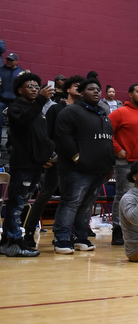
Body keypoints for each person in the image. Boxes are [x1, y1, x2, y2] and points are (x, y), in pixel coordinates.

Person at [52, 77, 115, 254]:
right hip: (75, 169)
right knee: (71, 202)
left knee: (87, 205)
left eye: (98, 89)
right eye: (91, 89)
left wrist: (110, 164)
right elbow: (63, 137)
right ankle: (61, 238)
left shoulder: (103, 114)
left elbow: (108, 142)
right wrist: (76, 157)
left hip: (98, 169)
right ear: (81, 93)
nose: (96, 91)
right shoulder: (70, 112)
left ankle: (80, 236)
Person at [23, 75, 83, 248]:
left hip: (77, 161)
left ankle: (66, 233)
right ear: (68, 89)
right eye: (77, 86)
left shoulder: (84, 111)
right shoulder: (56, 109)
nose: (80, 89)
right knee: (45, 195)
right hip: (57, 160)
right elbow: (45, 134)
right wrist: (47, 156)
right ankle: (28, 233)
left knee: (72, 199)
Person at [0, 73, 55, 257]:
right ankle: (13, 242)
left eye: (36, 86)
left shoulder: (38, 111)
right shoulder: (15, 108)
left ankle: (8, 242)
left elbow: (42, 138)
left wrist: (45, 156)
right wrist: (41, 99)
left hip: (35, 165)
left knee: (22, 203)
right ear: (19, 90)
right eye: (29, 86)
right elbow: (24, 121)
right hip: (22, 165)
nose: (34, 89)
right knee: (16, 204)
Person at [108, 83, 138, 245]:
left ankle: (135, 230)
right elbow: (106, 132)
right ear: (130, 94)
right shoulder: (120, 112)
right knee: (123, 196)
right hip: (125, 162)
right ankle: (117, 229)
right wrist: (117, 149)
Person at [0, 52, 24, 132]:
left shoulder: (21, 73)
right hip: (2, 100)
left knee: (14, 123)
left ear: (16, 61)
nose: (9, 62)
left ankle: (10, 142)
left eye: (11, 60)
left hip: (15, 101)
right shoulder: (1, 70)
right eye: (8, 60)